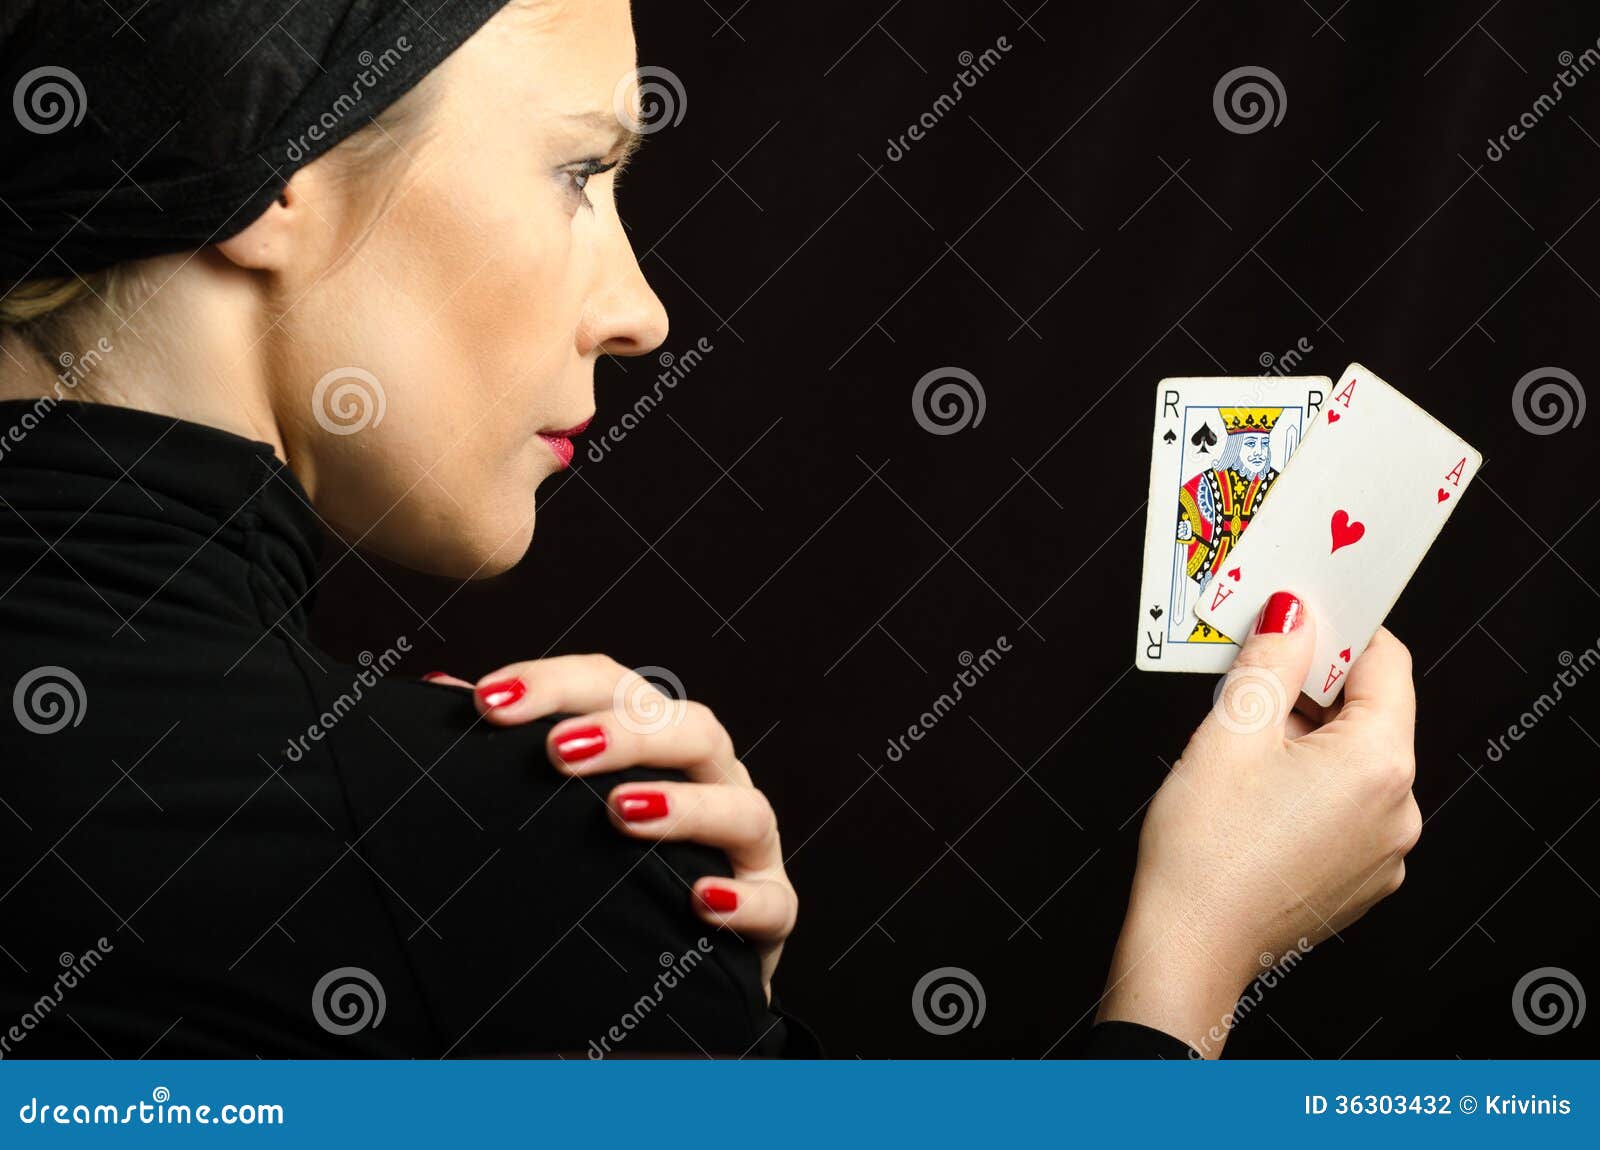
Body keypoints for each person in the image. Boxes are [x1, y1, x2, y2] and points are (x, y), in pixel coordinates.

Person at [0, 1, 1422, 1059]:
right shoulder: (495, 844)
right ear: (270, 177)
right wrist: (1195, 948)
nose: (641, 311)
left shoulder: (479, 846)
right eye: (578, 172)